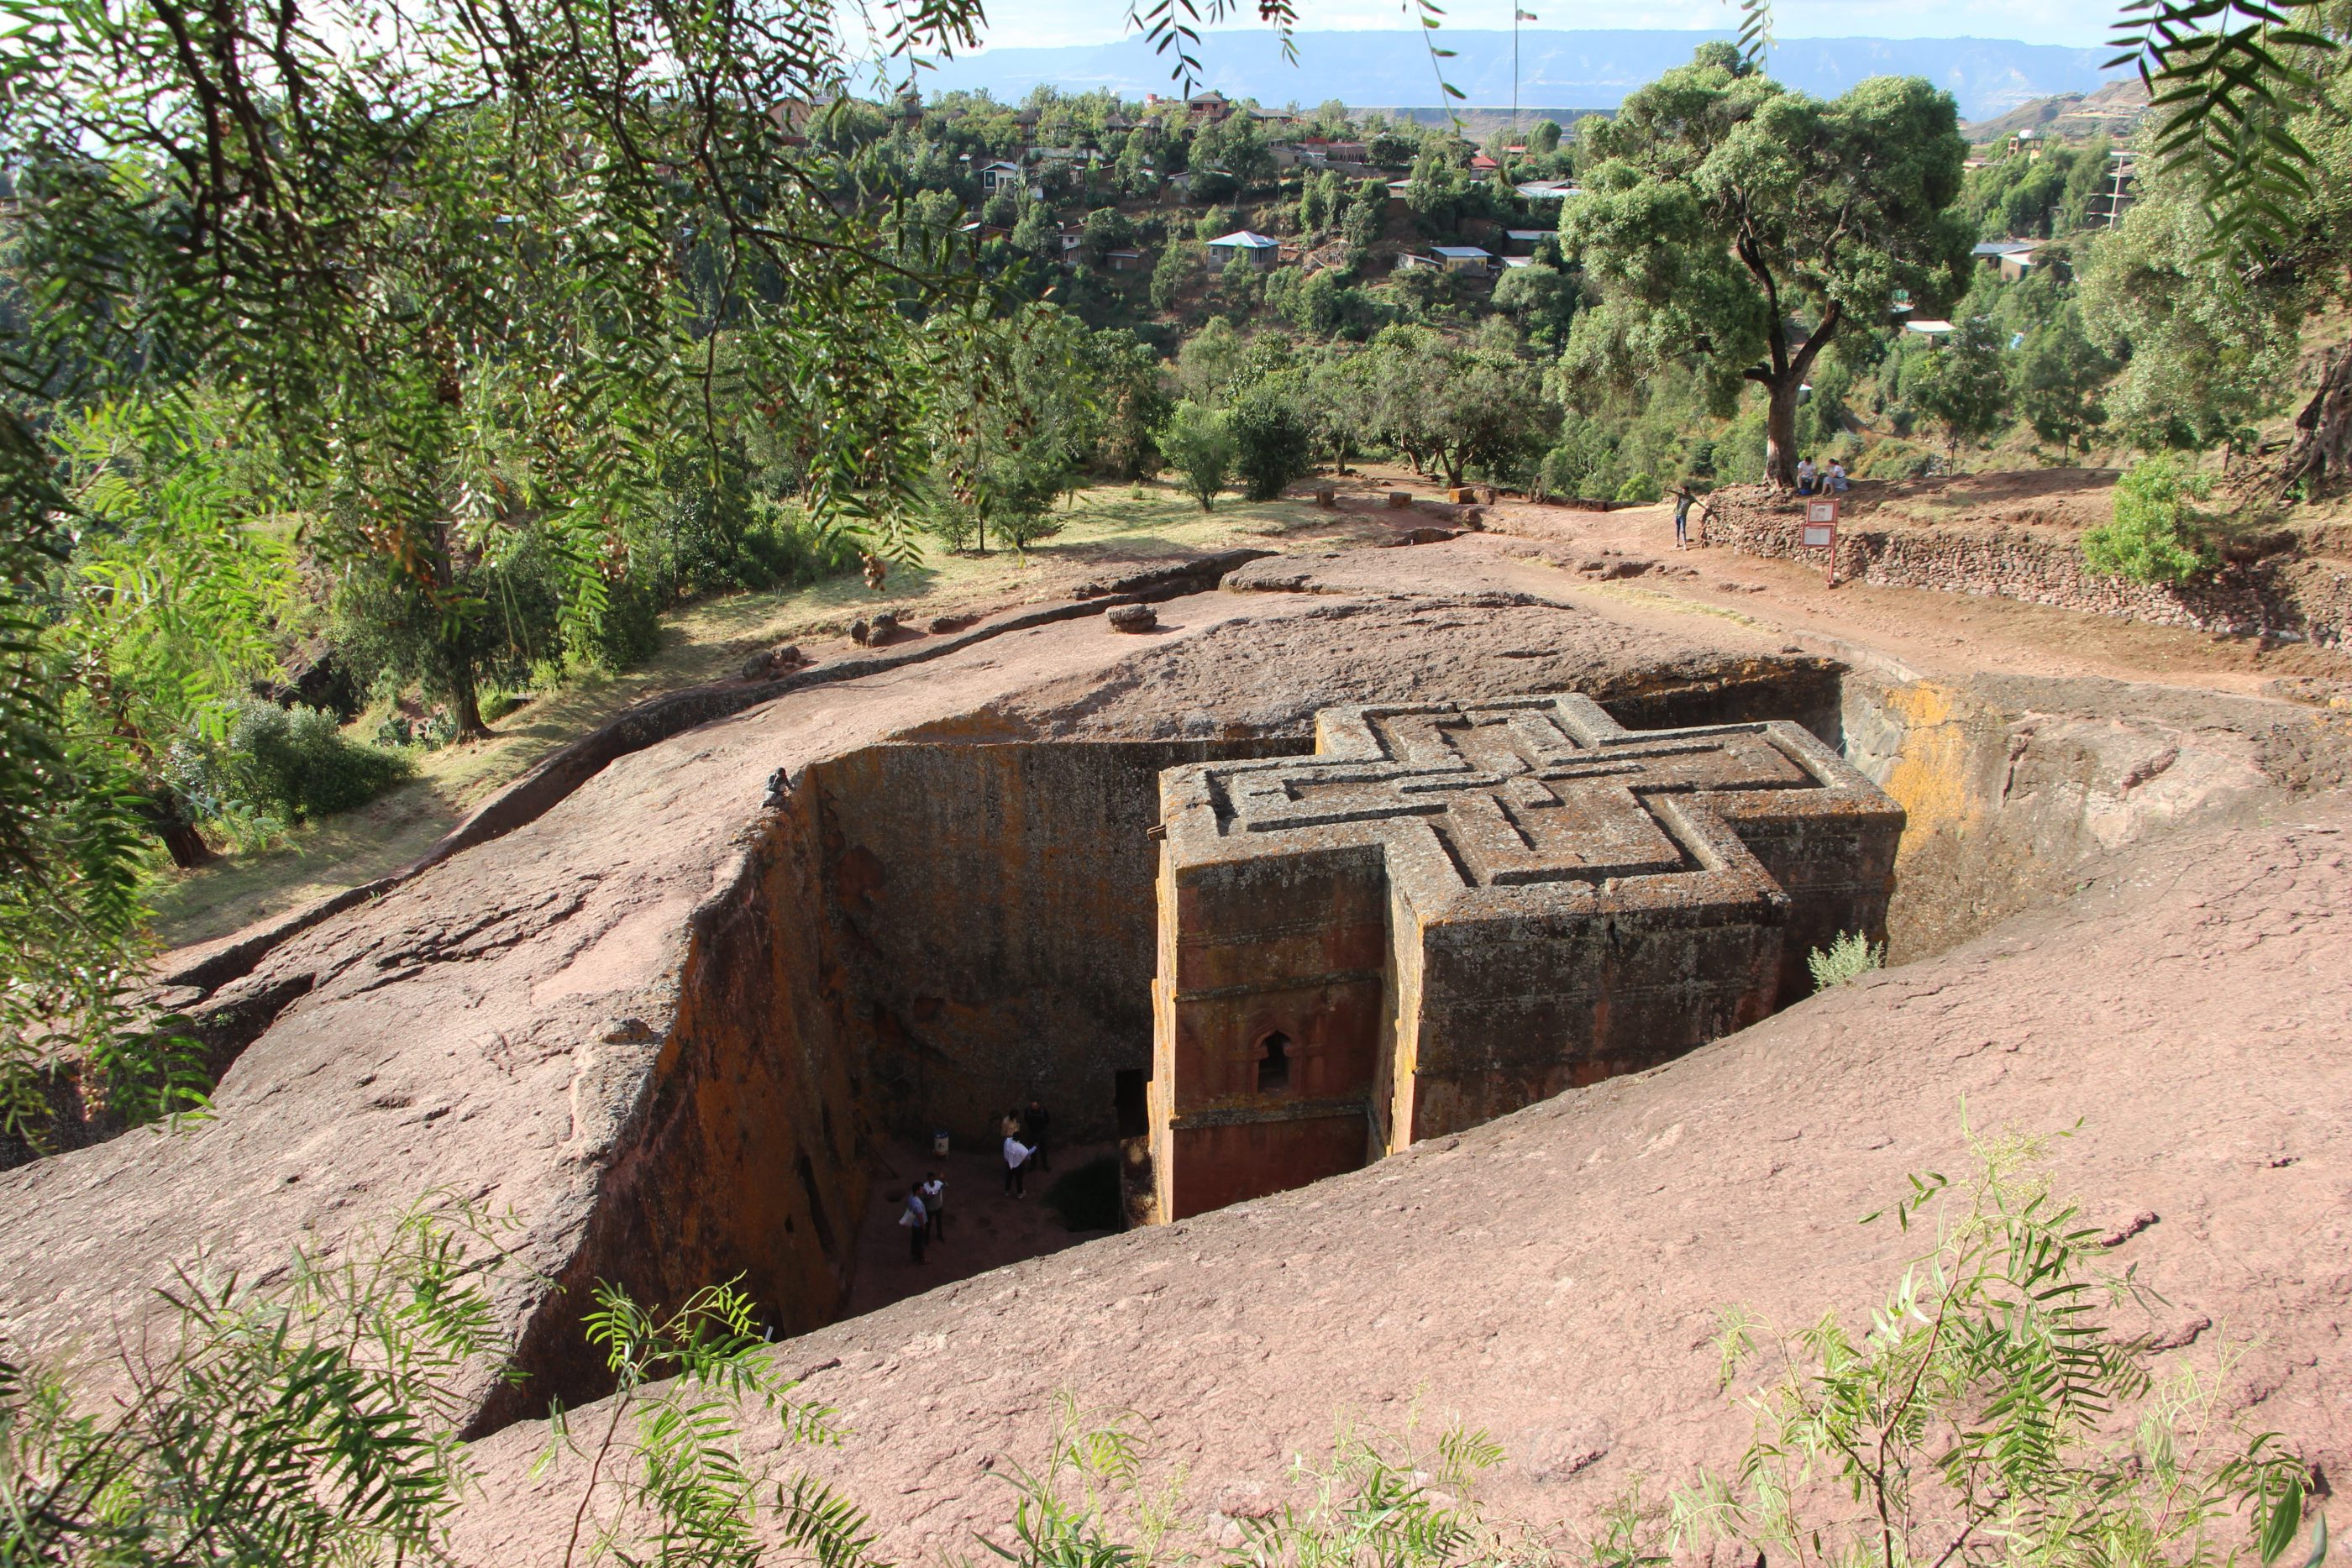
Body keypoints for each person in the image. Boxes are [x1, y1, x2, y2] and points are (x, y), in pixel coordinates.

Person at [1021, 1099, 1052, 1173]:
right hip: (1032, 1133)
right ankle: (1033, 1165)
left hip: (1042, 1132)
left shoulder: (1043, 1111)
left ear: (1038, 1105)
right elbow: (1025, 1119)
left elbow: (1048, 1120)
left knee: (1043, 1150)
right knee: (1032, 1150)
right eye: (1032, 1106)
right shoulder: (1028, 1111)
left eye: (1035, 1106)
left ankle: (1045, 1165)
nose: (1033, 1107)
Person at [899, 1188, 928, 1263]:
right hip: (918, 1225)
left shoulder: (911, 1198)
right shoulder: (917, 1203)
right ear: (917, 1190)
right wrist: (923, 1226)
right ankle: (922, 1259)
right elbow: (920, 1216)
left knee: (914, 1240)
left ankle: (914, 1255)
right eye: (920, 1189)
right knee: (921, 1242)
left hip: (913, 1224)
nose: (922, 1190)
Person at [1002, 1131, 1034, 1198]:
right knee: (1019, 1179)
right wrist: (1035, 1148)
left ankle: (1006, 1191)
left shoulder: (1007, 1142)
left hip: (1009, 1163)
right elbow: (1027, 1154)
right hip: (1018, 1166)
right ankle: (1020, 1193)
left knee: (1009, 1177)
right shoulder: (1021, 1148)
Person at [917, 1171, 947, 1241]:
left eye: (932, 1179)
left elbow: (946, 1185)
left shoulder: (938, 1183)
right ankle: (927, 1238)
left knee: (939, 1222)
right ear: (927, 1179)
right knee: (928, 1224)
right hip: (929, 1208)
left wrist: (943, 1179)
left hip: (938, 1207)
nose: (931, 1181)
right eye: (929, 1179)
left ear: (934, 1178)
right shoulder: (924, 1186)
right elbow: (922, 1197)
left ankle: (940, 1236)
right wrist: (928, 1196)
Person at [1672, 482, 1696, 549]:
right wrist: (1667, 490)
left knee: (1683, 530)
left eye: (1684, 491)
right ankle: (1677, 543)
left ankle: (1685, 544)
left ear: (1688, 491)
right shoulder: (1681, 495)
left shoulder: (1691, 498)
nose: (1683, 492)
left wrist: (1705, 508)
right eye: (1683, 491)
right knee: (1677, 529)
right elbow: (1675, 492)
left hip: (1683, 516)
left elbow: (1697, 502)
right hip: (1677, 514)